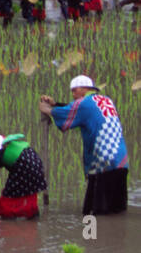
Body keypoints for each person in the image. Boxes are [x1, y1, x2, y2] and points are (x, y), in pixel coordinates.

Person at [40, 75, 129, 216]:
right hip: (121, 162)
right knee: (117, 210)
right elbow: (77, 112)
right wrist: (56, 104)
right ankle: (117, 236)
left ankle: (91, 237)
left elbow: (71, 113)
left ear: (84, 89)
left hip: (103, 163)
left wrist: (48, 110)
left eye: (75, 91)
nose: (73, 95)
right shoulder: (105, 100)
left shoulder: (83, 104)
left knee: (92, 213)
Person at [0, 132, 48, 220]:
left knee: (8, 197)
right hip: (37, 164)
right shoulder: (12, 145)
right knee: (29, 193)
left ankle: (8, 222)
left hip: (24, 167)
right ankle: (32, 219)